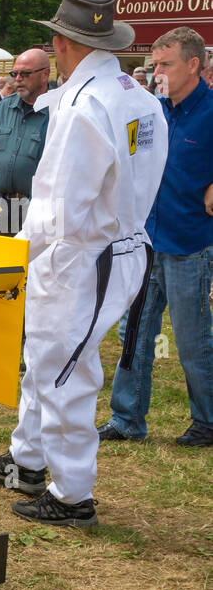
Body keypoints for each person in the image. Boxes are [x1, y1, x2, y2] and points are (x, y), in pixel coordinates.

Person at [0, 0, 166, 528]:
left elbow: (60, 205)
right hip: (114, 242)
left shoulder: (86, 105)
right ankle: (29, 459)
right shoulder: (136, 95)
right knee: (45, 360)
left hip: (80, 251)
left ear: (62, 43)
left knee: (63, 368)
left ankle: (72, 493)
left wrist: (15, 255)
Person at [99, 26, 213, 448]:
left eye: (165, 64)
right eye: (154, 64)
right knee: (134, 331)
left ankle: (207, 420)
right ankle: (126, 418)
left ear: (194, 64)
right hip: (143, 240)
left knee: (191, 338)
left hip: (190, 243)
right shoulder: (151, 111)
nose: (156, 72)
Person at [0, 51, 50, 233]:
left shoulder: (57, 110)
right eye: (15, 74)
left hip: (38, 209)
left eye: (25, 74)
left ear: (45, 74)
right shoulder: (3, 108)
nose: (18, 79)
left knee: (32, 261)